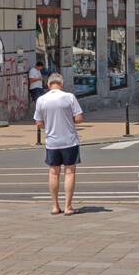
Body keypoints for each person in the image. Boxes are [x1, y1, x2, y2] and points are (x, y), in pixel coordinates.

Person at [33, 72, 84, 216]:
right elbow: (79, 118)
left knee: (54, 173)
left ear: (48, 85)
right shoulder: (69, 97)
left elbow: (38, 123)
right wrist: (68, 120)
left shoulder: (41, 100)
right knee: (70, 172)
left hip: (52, 142)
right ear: (61, 84)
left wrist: (48, 124)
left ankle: (55, 206)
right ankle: (68, 207)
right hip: (69, 140)